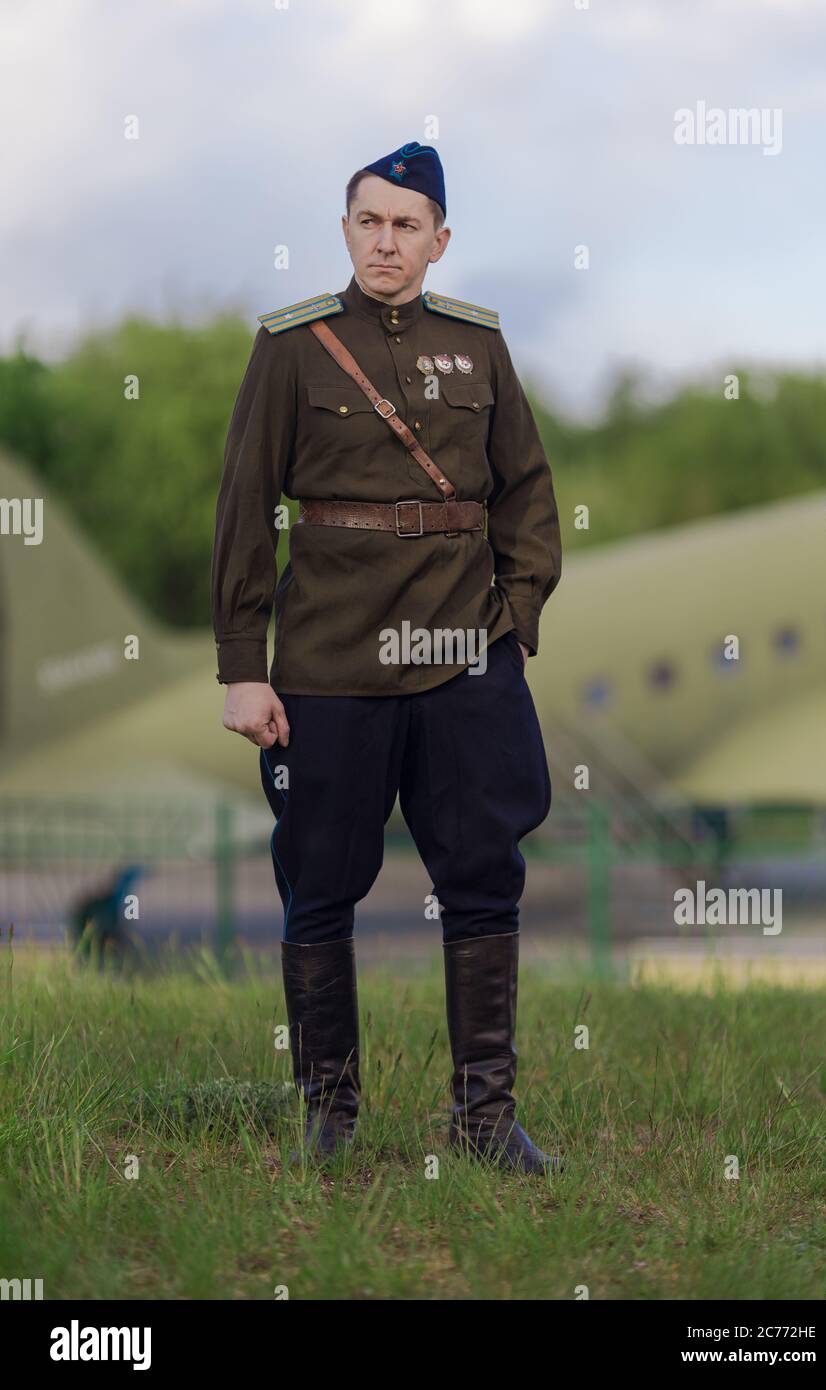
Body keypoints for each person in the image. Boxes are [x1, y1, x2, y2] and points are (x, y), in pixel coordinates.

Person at [211, 140, 563, 1173]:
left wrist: (517, 620)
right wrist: (244, 662)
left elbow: (528, 495)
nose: (385, 241)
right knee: (319, 883)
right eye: (369, 221)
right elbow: (242, 511)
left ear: (437, 241)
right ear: (345, 229)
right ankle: (331, 1116)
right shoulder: (292, 347)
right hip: (326, 657)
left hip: (464, 656)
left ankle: (485, 1118)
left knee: (483, 878)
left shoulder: (479, 346)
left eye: (406, 225)